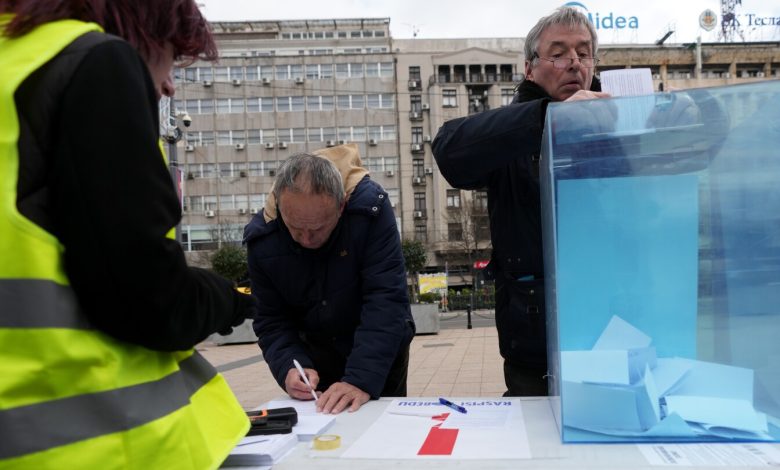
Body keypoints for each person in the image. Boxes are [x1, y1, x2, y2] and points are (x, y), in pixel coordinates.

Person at [0, 1, 255, 467]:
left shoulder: (12, 68)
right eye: (171, 56)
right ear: (140, 23)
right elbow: (148, 296)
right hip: (98, 446)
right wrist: (230, 299)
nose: (169, 84)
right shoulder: (91, 61)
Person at [431, 7, 609, 396]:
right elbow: (448, 150)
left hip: (612, 330)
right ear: (529, 68)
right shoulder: (513, 130)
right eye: (558, 53)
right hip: (533, 340)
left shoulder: (616, 119)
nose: (574, 63)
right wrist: (547, 118)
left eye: (583, 53)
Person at [244, 145, 415, 414]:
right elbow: (271, 319)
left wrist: (361, 379)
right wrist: (289, 365)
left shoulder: (369, 211)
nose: (306, 239)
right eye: (295, 228)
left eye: (318, 228)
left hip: (378, 352)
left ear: (341, 206)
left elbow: (386, 298)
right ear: (280, 206)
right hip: (314, 355)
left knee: (379, 427)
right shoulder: (263, 238)